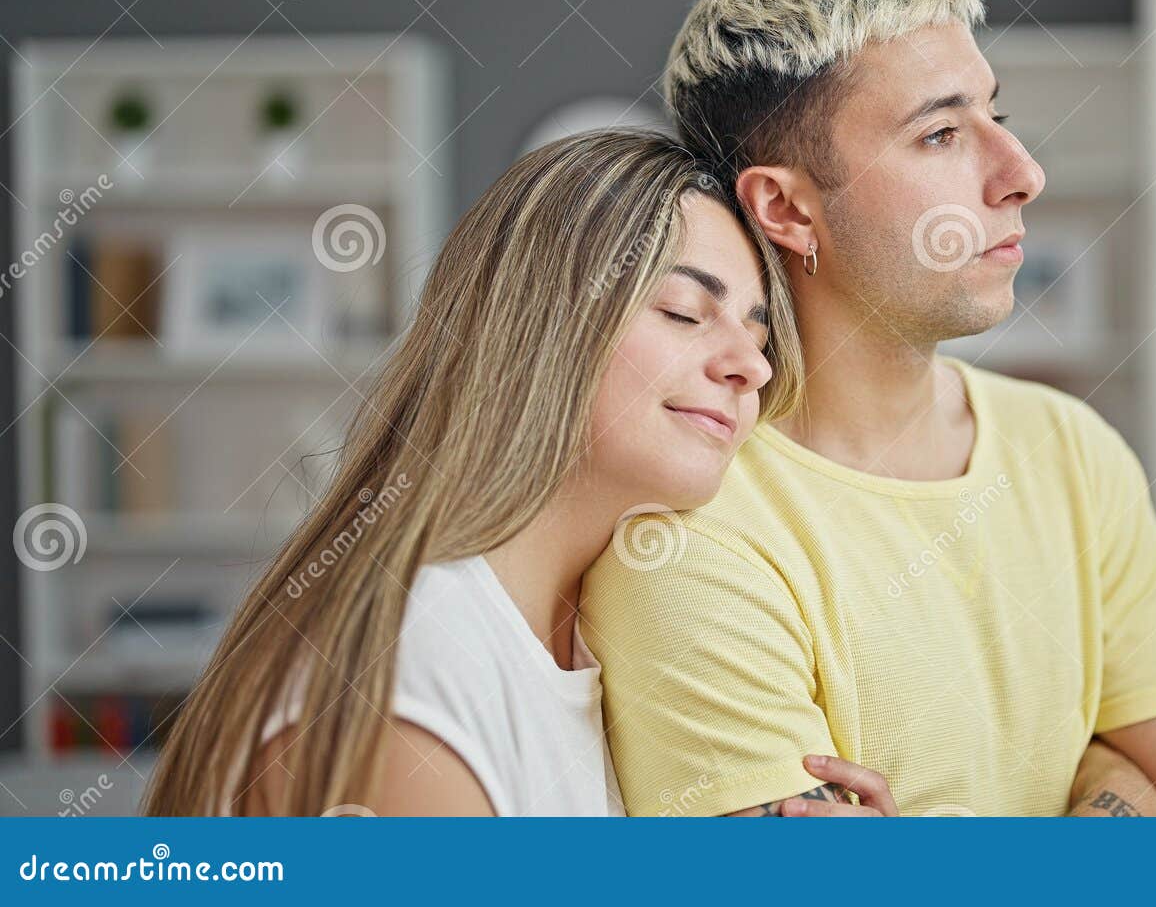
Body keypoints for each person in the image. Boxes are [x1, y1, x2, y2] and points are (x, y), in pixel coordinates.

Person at [581, 0, 1156, 817]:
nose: (1021, 174)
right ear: (787, 209)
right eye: (940, 134)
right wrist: (1114, 788)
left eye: (994, 115)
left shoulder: (1072, 452)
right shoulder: (690, 543)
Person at [141, 129, 892, 816]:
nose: (751, 366)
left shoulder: (595, 640)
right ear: (544, 327)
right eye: (685, 311)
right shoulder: (414, 680)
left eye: (759, 335)